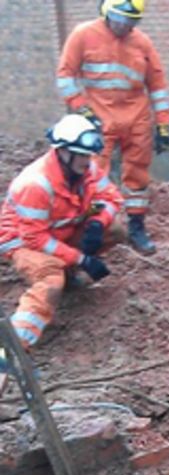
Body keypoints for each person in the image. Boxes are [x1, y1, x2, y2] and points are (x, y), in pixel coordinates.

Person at [56, 0, 169, 255]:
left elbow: (157, 84)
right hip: (100, 117)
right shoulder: (83, 34)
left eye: (131, 21)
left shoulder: (142, 42)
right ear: (106, 13)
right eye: (120, 20)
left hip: (137, 117)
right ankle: (93, 227)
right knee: (94, 174)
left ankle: (137, 227)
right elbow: (65, 76)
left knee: (137, 174)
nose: (124, 26)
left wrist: (163, 123)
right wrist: (83, 109)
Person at [0, 114, 122, 350]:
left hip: (58, 230)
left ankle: (69, 273)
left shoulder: (86, 169)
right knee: (50, 280)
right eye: (82, 155)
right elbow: (35, 238)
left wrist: (97, 222)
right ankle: (12, 347)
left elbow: (111, 197)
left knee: (115, 229)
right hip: (22, 241)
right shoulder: (36, 184)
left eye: (89, 155)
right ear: (63, 152)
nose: (87, 161)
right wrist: (81, 259)